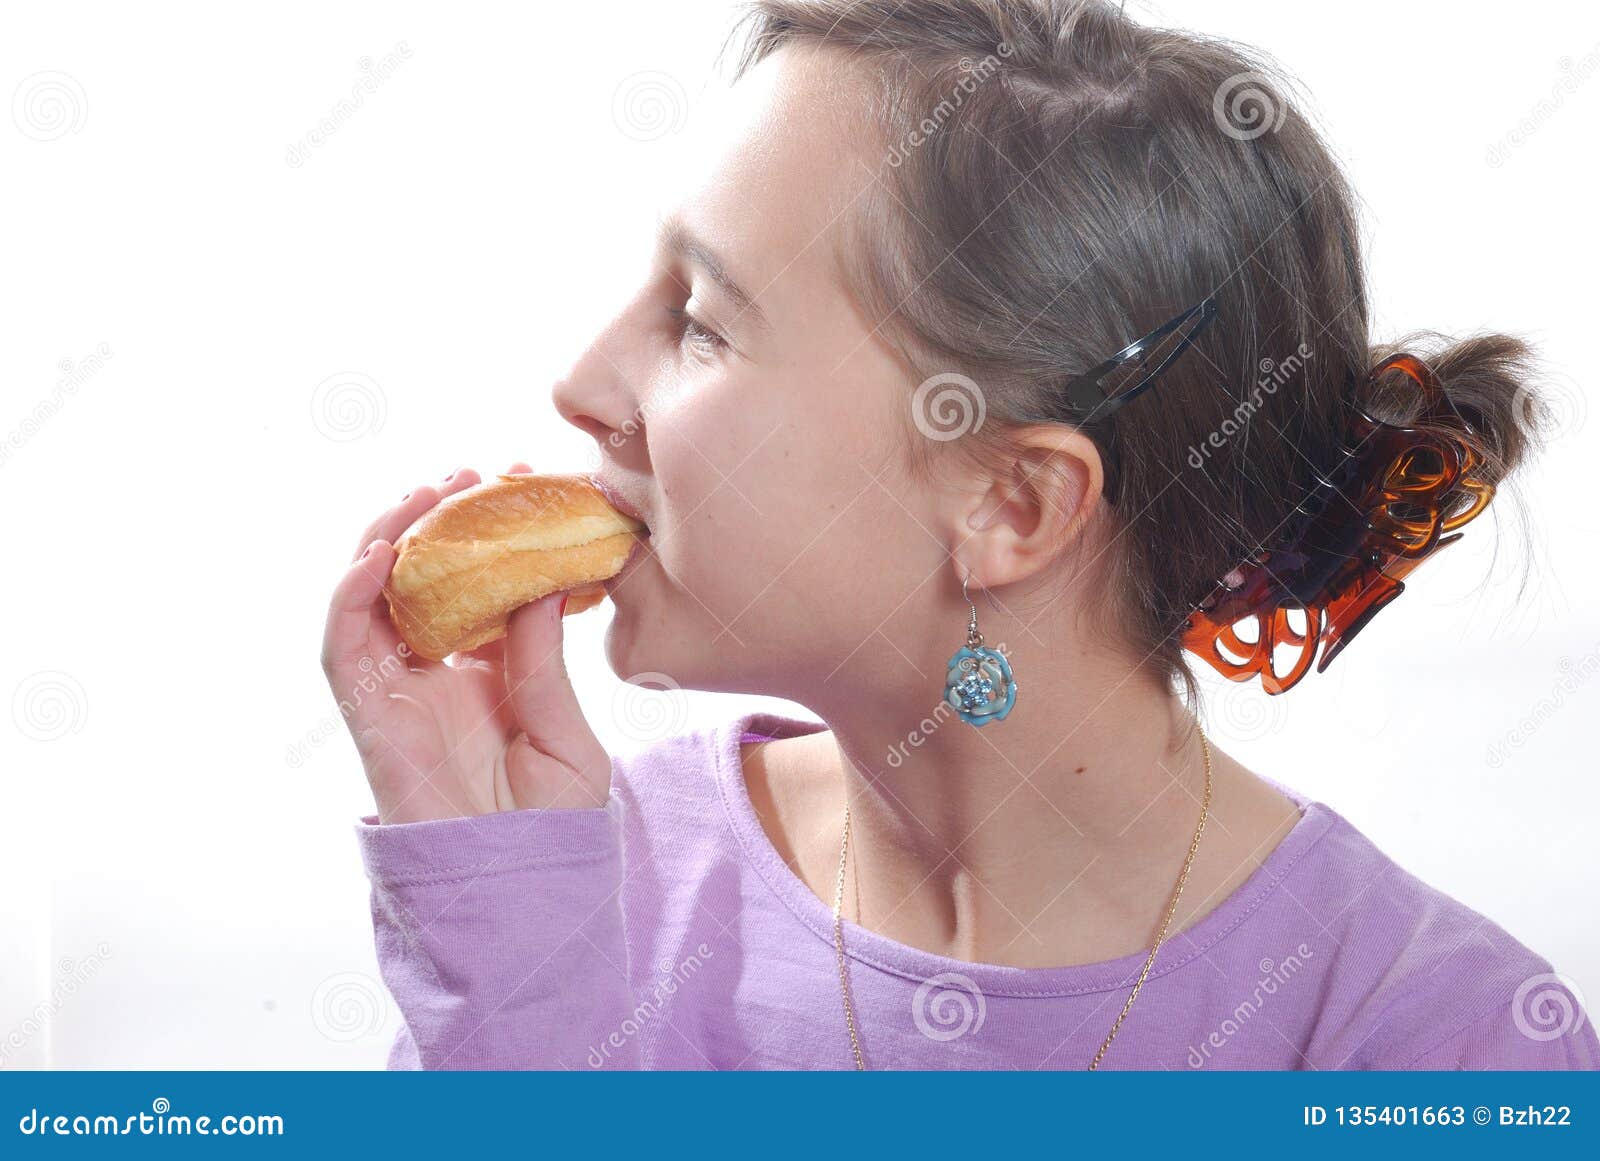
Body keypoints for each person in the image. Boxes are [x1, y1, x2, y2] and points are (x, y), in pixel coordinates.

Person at [320, 0, 1596, 1069]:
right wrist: (505, 929)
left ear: (1012, 504)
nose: (582, 381)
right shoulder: (586, 879)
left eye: (701, 321)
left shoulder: (1439, 1045)